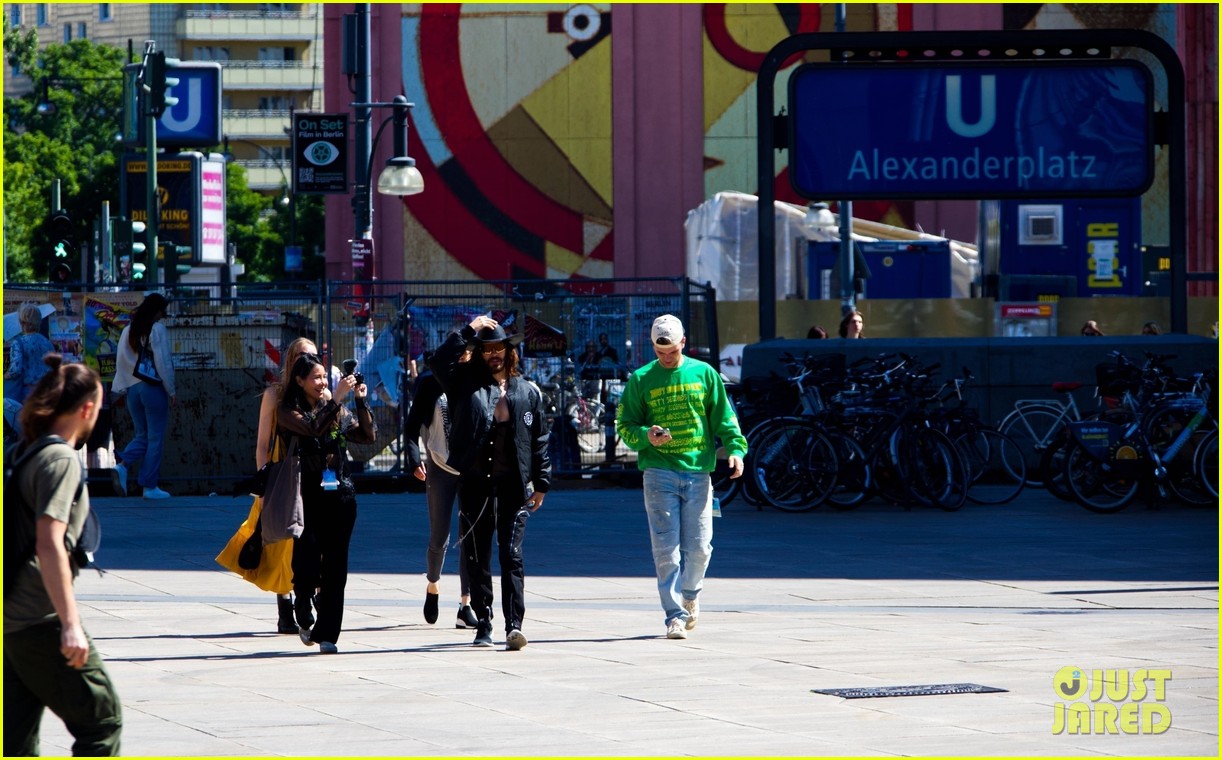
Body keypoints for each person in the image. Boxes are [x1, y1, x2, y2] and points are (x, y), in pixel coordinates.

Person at [5, 355, 122, 756]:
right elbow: (49, 542)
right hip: (42, 618)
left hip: (11, 621)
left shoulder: (23, 452)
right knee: (102, 721)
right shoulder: (59, 460)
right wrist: (70, 626)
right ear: (87, 408)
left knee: (16, 741)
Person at [615, 315, 746, 640]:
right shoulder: (641, 379)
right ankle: (674, 615)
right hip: (659, 473)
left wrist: (735, 448)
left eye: (672, 351)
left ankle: (691, 594)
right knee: (665, 549)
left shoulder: (704, 374)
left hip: (698, 472)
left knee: (700, 547)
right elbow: (625, 425)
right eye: (661, 353)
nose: (667, 357)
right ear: (653, 347)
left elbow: (724, 416)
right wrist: (647, 435)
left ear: (683, 343)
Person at [430, 316, 550, 650]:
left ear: (510, 352)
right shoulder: (464, 383)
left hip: (514, 486)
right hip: (475, 483)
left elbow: (539, 439)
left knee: (511, 554)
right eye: (487, 349)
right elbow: (439, 361)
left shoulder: (527, 392)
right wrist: (470, 329)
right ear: (479, 353)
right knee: (477, 555)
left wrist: (541, 482)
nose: (494, 354)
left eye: (499, 348)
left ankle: (514, 625)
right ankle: (483, 622)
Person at [215, 337, 318, 635]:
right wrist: (264, 478)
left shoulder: (320, 393)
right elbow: (262, 443)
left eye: (312, 356)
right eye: (302, 357)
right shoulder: (275, 394)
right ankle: (285, 607)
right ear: (291, 362)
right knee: (278, 541)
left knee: (308, 541)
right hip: (280, 474)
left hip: (309, 475)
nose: (308, 362)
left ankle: (307, 599)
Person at [278, 353, 377, 654]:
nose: (322, 383)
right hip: (306, 495)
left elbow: (367, 436)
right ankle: (303, 598)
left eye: (324, 377)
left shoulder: (335, 408)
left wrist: (359, 401)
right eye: (316, 378)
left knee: (336, 567)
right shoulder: (287, 411)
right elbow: (314, 429)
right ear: (299, 381)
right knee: (306, 560)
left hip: (340, 495)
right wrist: (338, 397)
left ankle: (328, 633)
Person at [404, 348, 479, 629]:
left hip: (470, 469)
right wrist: (414, 460)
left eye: (469, 352)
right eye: (460, 352)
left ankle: (465, 604)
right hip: (439, 465)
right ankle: (433, 585)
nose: (463, 356)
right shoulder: (429, 383)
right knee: (440, 537)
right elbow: (411, 427)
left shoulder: (475, 381)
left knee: (469, 537)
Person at [110, 293, 176, 499]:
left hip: (132, 390)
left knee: (142, 435)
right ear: (155, 311)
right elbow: (163, 362)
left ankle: (123, 465)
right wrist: (171, 390)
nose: (162, 316)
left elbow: (120, 362)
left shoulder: (128, 330)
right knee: (155, 437)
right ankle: (149, 486)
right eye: (161, 312)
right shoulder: (157, 330)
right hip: (152, 388)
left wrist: (120, 387)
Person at [5, 302, 55, 403]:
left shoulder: (18, 343)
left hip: (28, 396)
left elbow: (15, 371)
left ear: (22, 322)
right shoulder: (47, 342)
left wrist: (4, 376)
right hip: (48, 394)